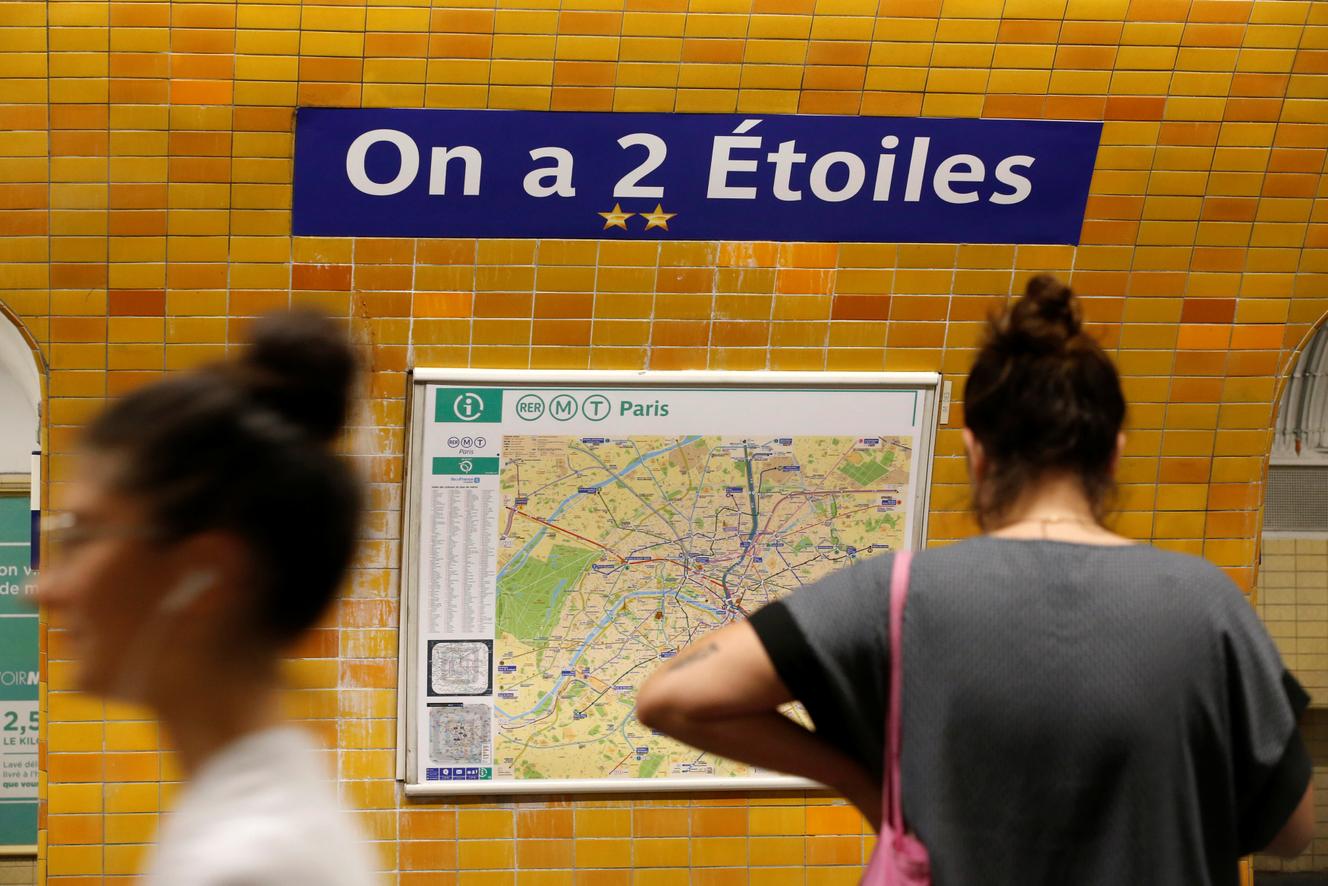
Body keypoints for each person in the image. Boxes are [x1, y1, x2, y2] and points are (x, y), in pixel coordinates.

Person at [637, 275, 1314, 885]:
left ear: (976, 455)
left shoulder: (895, 597)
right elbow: (1291, 831)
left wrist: (863, 781)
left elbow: (674, 697)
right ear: (1112, 455)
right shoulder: (1206, 605)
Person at [37, 311, 377, 886]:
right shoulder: (244, 814)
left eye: (81, 537)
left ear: (205, 573)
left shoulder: (252, 862)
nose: (43, 587)